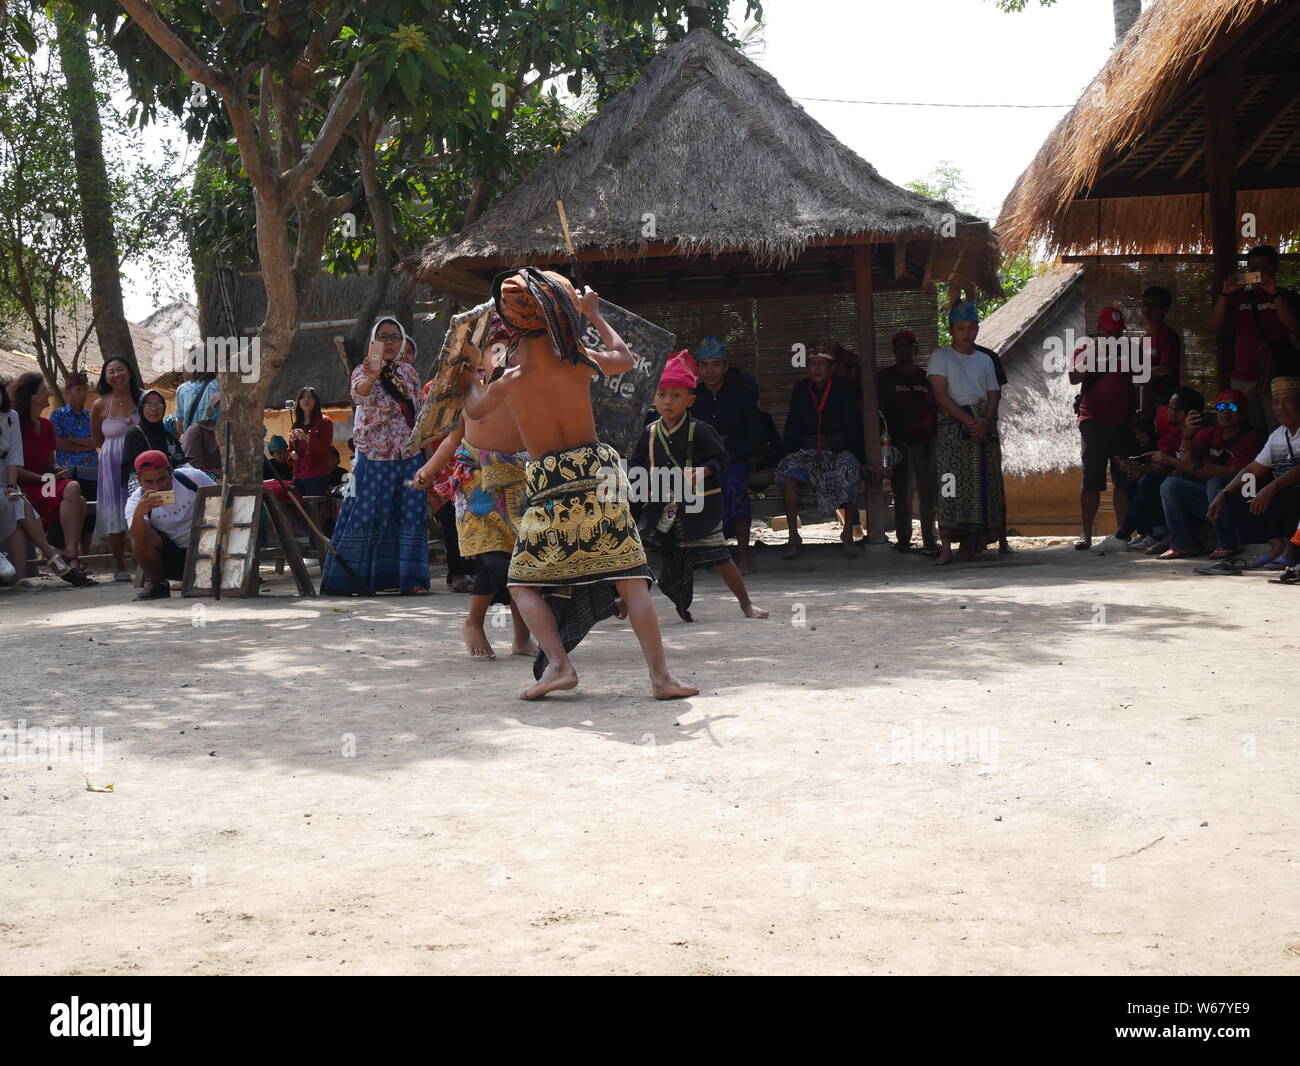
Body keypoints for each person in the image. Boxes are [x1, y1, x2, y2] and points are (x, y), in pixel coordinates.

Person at [462, 267, 696, 701]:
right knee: (631, 578)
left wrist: (466, 375)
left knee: (521, 583)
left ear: (510, 325)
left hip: (551, 483)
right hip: (598, 474)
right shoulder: (579, 359)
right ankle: (661, 678)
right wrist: (595, 314)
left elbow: (474, 412)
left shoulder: (509, 382)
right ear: (560, 313)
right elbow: (624, 358)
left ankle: (559, 665)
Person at [413, 334, 534, 658]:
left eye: (510, 350)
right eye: (494, 350)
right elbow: (453, 441)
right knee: (495, 564)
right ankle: (474, 622)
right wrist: (427, 470)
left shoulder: (526, 394)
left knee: (520, 567)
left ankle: (522, 637)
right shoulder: (473, 394)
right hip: (476, 489)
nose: (503, 356)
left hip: (516, 489)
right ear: (480, 360)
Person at [631, 349, 766, 623]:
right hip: (660, 509)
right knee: (638, 555)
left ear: (690, 400)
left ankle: (746, 604)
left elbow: (722, 460)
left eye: (676, 395)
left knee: (720, 557)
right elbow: (637, 470)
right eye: (662, 395)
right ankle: (627, 601)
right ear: (653, 398)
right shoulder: (648, 433)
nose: (668, 402)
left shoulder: (701, 430)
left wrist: (704, 471)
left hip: (697, 510)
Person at [323, 316, 429, 595]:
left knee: (410, 516)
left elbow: (417, 412)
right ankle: (354, 580)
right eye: (383, 336)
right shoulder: (362, 370)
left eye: (395, 336)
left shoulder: (409, 374)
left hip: (408, 455)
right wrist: (371, 376)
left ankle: (412, 580)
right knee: (365, 515)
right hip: (373, 456)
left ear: (403, 340)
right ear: (373, 341)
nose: (389, 341)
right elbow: (359, 395)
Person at [928, 302, 1004, 564]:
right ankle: (946, 546)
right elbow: (940, 394)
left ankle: (972, 545)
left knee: (983, 484)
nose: (966, 333)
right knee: (951, 485)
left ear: (977, 329)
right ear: (951, 330)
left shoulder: (985, 359)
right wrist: (967, 420)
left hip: (983, 426)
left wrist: (984, 420)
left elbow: (994, 392)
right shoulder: (941, 356)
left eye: (971, 328)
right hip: (953, 426)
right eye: (960, 328)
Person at [1, 377, 92, 588]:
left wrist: (56, 469)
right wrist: (42, 477)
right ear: (31, 396)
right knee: (76, 498)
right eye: (44, 390)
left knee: (73, 488)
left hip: (46, 483)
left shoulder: (47, 425)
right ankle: (68, 557)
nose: (49, 394)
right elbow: (13, 467)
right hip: (26, 485)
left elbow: (50, 461)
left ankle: (69, 552)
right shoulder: (16, 425)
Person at [776, 344, 865, 560]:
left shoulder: (842, 388)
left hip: (836, 451)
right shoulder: (800, 389)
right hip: (806, 452)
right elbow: (792, 426)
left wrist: (860, 457)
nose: (816, 368)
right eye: (812, 363)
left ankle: (847, 535)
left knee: (852, 468)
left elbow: (852, 424)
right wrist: (785, 455)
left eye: (821, 364)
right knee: (789, 476)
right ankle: (793, 535)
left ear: (831, 367)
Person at [1159, 389, 1263, 563]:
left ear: (1243, 412)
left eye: (1232, 407)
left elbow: (1235, 474)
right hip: (1213, 502)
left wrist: (1200, 466)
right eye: (1221, 406)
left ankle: (1227, 544)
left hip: (1244, 499)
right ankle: (1181, 544)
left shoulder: (1251, 436)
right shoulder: (1210, 433)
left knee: (1216, 482)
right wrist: (1188, 435)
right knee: (1171, 485)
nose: (1225, 411)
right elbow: (1186, 462)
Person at [1097, 387, 1204, 555]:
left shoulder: (1200, 435)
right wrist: (1141, 467)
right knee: (1141, 481)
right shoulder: (1174, 434)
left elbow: (1191, 470)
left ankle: (1123, 535)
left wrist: (1170, 458)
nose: (1166, 411)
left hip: (1197, 490)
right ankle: (1153, 533)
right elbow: (1168, 468)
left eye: (1170, 407)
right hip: (1177, 481)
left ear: (1181, 414)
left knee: (1158, 483)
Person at [1207, 376, 1300, 568]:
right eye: (1276, 402)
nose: (1280, 407)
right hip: (1288, 493)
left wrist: (1273, 486)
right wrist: (1223, 494)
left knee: (1278, 491)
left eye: (1288, 401)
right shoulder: (1278, 435)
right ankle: (1276, 546)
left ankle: (1293, 550)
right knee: (1244, 492)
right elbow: (1253, 468)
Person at [691, 335, 764, 573]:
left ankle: (743, 555)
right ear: (697, 368)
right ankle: (703, 553)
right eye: (704, 364)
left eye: (715, 364)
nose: (710, 371)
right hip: (700, 462)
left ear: (725, 367)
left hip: (733, 459)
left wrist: (728, 455)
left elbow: (755, 437)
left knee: (732, 484)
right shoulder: (690, 398)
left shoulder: (741, 396)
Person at [1209, 245, 1299, 428]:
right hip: (1243, 375)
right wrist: (1225, 293)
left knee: (1279, 426)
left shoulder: (1288, 297)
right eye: (1252, 270)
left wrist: (1274, 293)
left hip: (1276, 374)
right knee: (1248, 427)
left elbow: (1292, 326)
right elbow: (1213, 324)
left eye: (1263, 268)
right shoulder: (1238, 297)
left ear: (1275, 268)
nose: (1258, 273)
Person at [1070, 307, 1136, 550]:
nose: (1115, 336)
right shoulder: (1084, 348)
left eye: (1118, 332)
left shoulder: (1130, 350)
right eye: (1110, 332)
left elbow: (1141, 381)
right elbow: (1073, 378)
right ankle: (1086, 533)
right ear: (1099, 330)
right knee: (1092, 479)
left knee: (1122, 481)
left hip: (1122, 422)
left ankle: (1122, 533)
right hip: (1093, 421)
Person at [124, 449, 215, 600]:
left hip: (206, 549)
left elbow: (222, 501)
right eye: (149, 482)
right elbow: (140, 541)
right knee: (141, 536)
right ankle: (158, 584)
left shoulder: (193, 478)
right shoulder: (135, 501)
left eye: (162, 479)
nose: (157, 487)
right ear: (139, 480)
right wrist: (140, 514)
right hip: (171, 559)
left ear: (170, 472)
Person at [878, 330, 939, 554]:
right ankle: (903, 540)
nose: (904, 350)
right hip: (899, 443)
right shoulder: (884, 379)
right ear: (894, 350)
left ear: (916, 349)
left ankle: (930, 540)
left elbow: (936, 407)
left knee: (928, 491)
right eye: (899, 346)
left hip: (926, 441)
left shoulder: (926, 378)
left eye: (908, 345)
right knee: (902, 491)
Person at [91, 356, 141, 580]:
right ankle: (120, 566)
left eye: (120, 369)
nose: (116, 375)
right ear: (105, 377)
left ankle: (145, 563)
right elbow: (97, 439)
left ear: (129, 372)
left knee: (142, 511)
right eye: (110, 372)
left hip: (139, 464)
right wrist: (115, 453)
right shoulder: (100, 404)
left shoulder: (144, 398)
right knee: (114, 514)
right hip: (111, 466)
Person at [50, 371, 98, 557]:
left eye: (84, 389)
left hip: (91, 470)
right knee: (71, 512)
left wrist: (72, 441)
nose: (82, 393)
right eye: (78, 389)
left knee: (89, 516)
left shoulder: (92, 415)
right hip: (67, 471)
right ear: (68, 391)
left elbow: (96, 442)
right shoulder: (58, 415)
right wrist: (83, 444)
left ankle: (85, 556)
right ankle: (71, 552)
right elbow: (57, 443)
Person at [121, 389, 186, 494]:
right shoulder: (134, 435)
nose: (154, 409)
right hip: (146, 489)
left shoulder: (168, 435)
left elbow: (180, 461)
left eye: (158, 405)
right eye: (148, 405)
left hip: (172, 487)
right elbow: (133, 472)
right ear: (141, 408)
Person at [1139, 285, 1181, 417]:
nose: (1147, 310)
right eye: (1144, 305)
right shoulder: (1145, 338)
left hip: (1164, 398)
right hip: (1147, 396)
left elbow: (1167, 368)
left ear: (1165, 309)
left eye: (1152, 306)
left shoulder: (1168, 335)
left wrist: (1140, 374)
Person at [286, 386, 334, 498]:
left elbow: (325, 447)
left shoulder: (324, 422)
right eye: (302, 397)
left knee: (313, 512)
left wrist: (306, 438)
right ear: (298, 402)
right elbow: (290, 450)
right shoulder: (296, 425)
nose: (306, 400)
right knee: (298, 511)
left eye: (310, 397)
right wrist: (292, 455)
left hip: (317, 475)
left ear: (315, 401)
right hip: (298, 476)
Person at [180, 386, 221, 476]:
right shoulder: (196, 431)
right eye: (218, 406)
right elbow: (192, 466)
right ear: (211, 409)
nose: (224, 410)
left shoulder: (238, 432)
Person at [173, 372, 217, 436]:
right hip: (213, 439)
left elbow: (180, 428)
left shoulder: (182, 389)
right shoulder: (218, 386)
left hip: (191, 439)